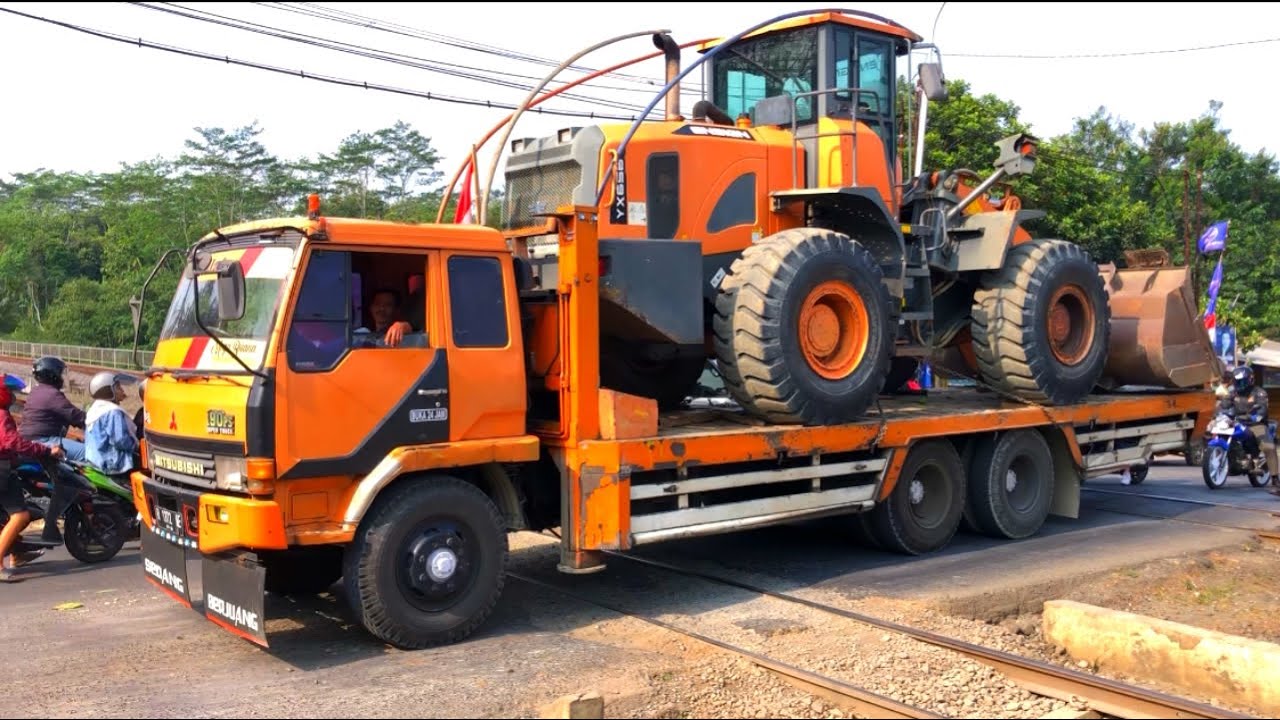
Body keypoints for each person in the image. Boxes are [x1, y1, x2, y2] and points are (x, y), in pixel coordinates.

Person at [0, 374, 65, 583]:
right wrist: (45, 450)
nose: (12, 396)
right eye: (9, 392)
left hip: (7, 465)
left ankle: (17, 553)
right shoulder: (1, 415)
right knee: (20, 515)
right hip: (1, 469)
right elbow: (12, 442)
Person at [19, 356, 86, 462]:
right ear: (52, 375)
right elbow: (74, 415)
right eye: (60, 373)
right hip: (44, 440)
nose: (62, 378)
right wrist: (93, 419)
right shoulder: (52, 394)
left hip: (32, 439)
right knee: (88, 453)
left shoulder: (37, 390)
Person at [1217, 365, 1278, 477]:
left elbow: (1262, 410)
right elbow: (1224, 405)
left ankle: (1275, 478)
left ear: (1250, 379)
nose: (1240, 385)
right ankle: (1235, 460)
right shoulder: (1233, 392)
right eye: (1238, 382)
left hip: (1255, 424)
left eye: (1243, 382)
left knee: (1268, 447)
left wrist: (1253, 416)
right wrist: (1219, 413)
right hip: (1237, 422)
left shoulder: (1259, 393)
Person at [84, 372, 140, 477]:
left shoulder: (95, 409)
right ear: (108, 391)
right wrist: (136, 446)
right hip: (111, 464)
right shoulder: (112, 412)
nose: (122, 390)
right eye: (118, 387)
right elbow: (120, 440)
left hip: (94, 460)